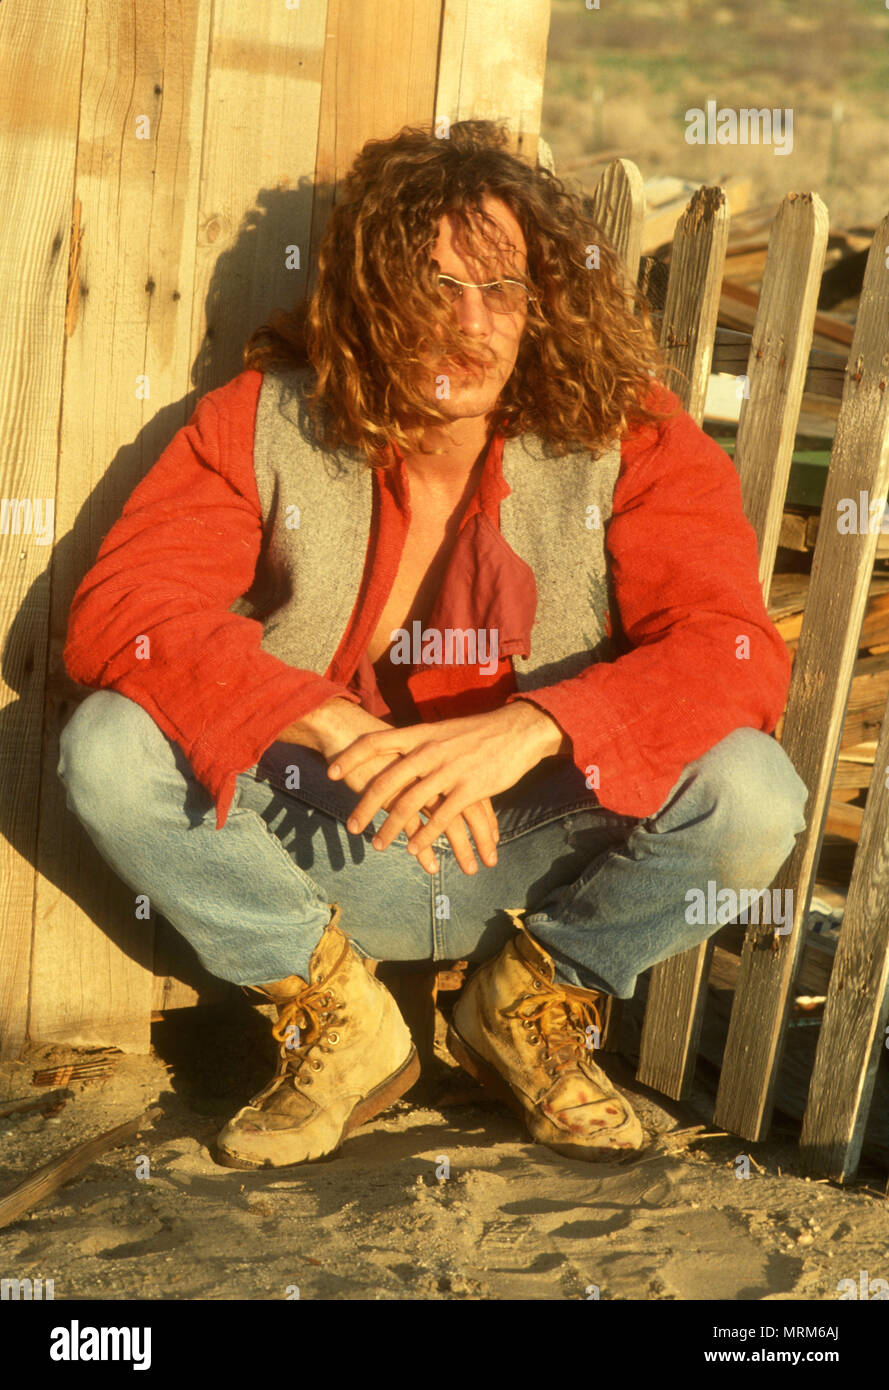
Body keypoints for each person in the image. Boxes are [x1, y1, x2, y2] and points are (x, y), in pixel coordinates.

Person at [57, 119, 808, 1170]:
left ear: (542, 300)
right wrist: (312, 714)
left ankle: (532, 1001)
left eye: (501, 289)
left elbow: (729, 648)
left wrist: (534, 726)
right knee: (108, 746)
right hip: (331, 831)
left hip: (529, 848)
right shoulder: (263, 419)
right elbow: (124, 609)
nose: (471, 325)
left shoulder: (627, 432)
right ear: (369, 294)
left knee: (753, 790)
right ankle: (336, 1016)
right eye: (433, 286)